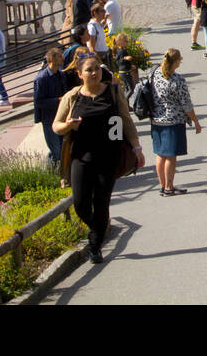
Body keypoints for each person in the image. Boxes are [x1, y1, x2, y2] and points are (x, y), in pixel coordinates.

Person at [52, 55, 144, 263]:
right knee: (80, 203)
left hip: (108, 156)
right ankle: (96, 228)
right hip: (81, 157)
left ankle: (95, 245)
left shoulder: (112, 92)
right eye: (89, 70)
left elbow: (125, 120)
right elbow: (56, 126)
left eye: (97, 69)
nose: (94, 73)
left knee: (101, 202)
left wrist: (137, 147)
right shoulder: (72, 97)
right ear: (79, 74)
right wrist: (68, 125)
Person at [148, 48, 202, 196]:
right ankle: (169, 187)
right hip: (173, 120)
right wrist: (196, 121)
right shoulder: (177, 79)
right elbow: (186, 104)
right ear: (176, 61)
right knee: (171, 156)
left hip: (156, 120)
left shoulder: (154, 74)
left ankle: (162, 185)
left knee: (160, 154)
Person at [33, 47, 67, 164]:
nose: (62, 58)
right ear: (52, 59)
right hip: (49, 118)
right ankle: (50, 171)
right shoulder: (42, 78)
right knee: (56, 150)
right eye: (59, 56)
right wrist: (57, 100)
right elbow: (38, 102)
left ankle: (53, 170)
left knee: (62, 149)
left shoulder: (61, 75)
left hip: (61, 116)